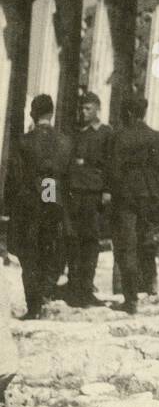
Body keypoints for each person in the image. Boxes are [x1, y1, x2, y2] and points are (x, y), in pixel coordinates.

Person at [5, 95, 72, 319]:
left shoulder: (24, 142)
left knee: (29, 251)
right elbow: (64, 176)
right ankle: (45, 293)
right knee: (48, 246)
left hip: (29, 201)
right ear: (51, 113)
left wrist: (8, 204)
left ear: (33, 113)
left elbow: (14, 177)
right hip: (52, 196)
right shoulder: (64, 141)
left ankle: (34, 304)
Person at [106, 96, 159, 314]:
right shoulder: (158, 137)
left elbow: (113, 170)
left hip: (127, 195)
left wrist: (112, 193)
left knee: (127, 245)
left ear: (129, 114)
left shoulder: (120, 137)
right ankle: (151, 284)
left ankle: (131, 297)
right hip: (150, 196)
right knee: (146, 240)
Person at [65, 91, 113, 307]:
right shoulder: (76, 133)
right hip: (75, 191)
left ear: (97, 110)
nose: (83, 112)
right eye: (82, 108)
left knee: (91, 241)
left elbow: (112, 165)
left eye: (88, 109)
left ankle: (86, 287)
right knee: (73, 239)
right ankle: (73, 285)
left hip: (94, 192)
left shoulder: (106, 133)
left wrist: (107, 190)